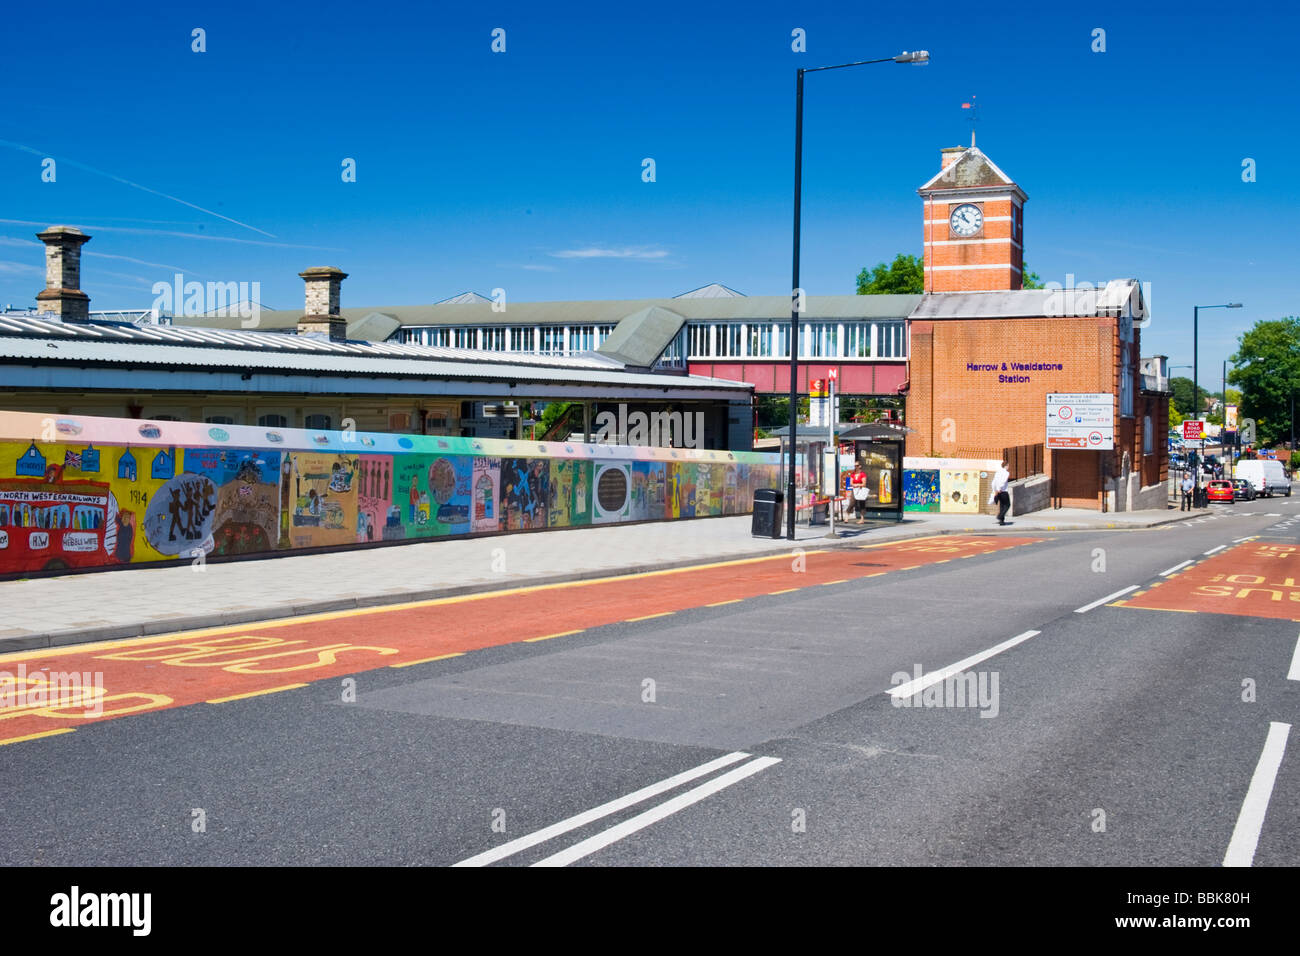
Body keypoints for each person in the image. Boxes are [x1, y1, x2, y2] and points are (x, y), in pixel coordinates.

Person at [990, 460, 1011, 525]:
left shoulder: (997, 472)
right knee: (1007, 505)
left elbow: (994, 482)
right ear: (1006, 465)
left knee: (1002, 505)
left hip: (998, 491)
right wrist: (999, 488)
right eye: (1008, 465)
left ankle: (1002, 521)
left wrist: (995, 490)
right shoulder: (1006, 473)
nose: (1009, 467)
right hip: (1003, 491)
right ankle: (1000, 516)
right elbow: (1003, 481)